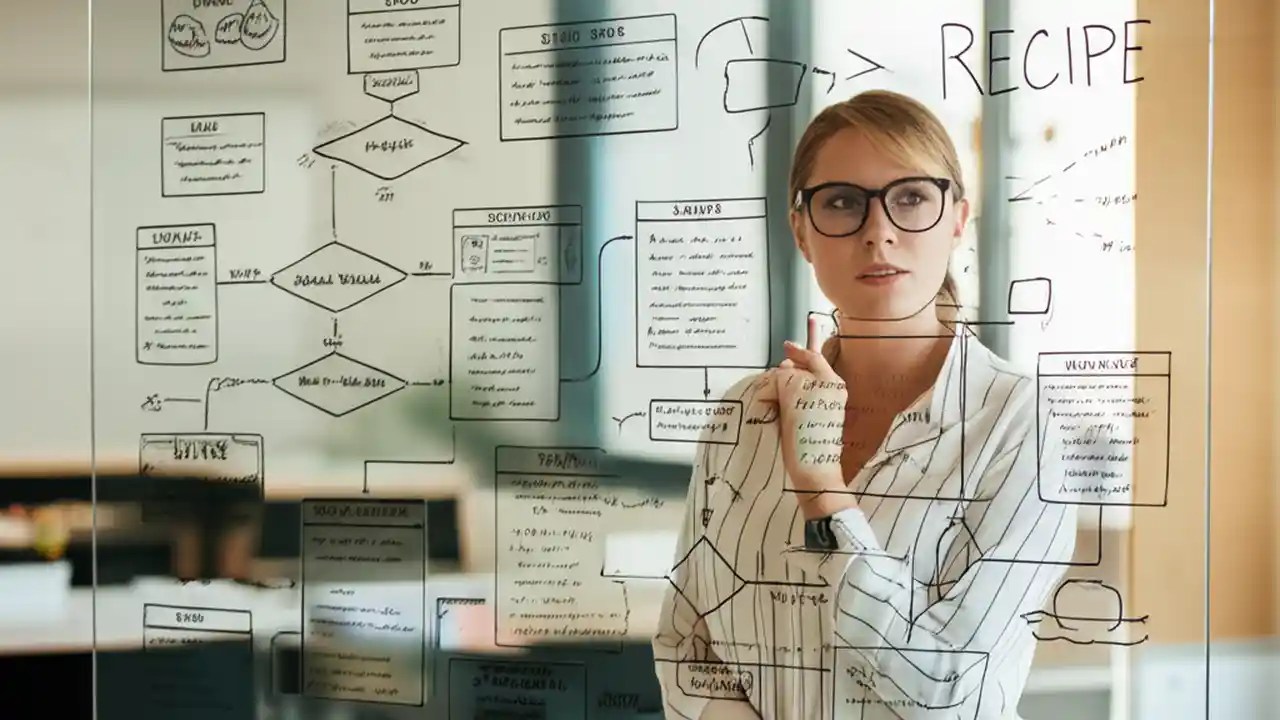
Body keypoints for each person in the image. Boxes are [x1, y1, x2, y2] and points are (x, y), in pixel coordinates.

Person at [651, 90, 1078, 720]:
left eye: (910, 198)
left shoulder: (1020, 424)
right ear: (802, 230)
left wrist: (823, 492)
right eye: (843, 202)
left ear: (958, 218)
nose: (878, 231)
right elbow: (685, 653)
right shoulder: (744, 414)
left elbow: (946, 691)